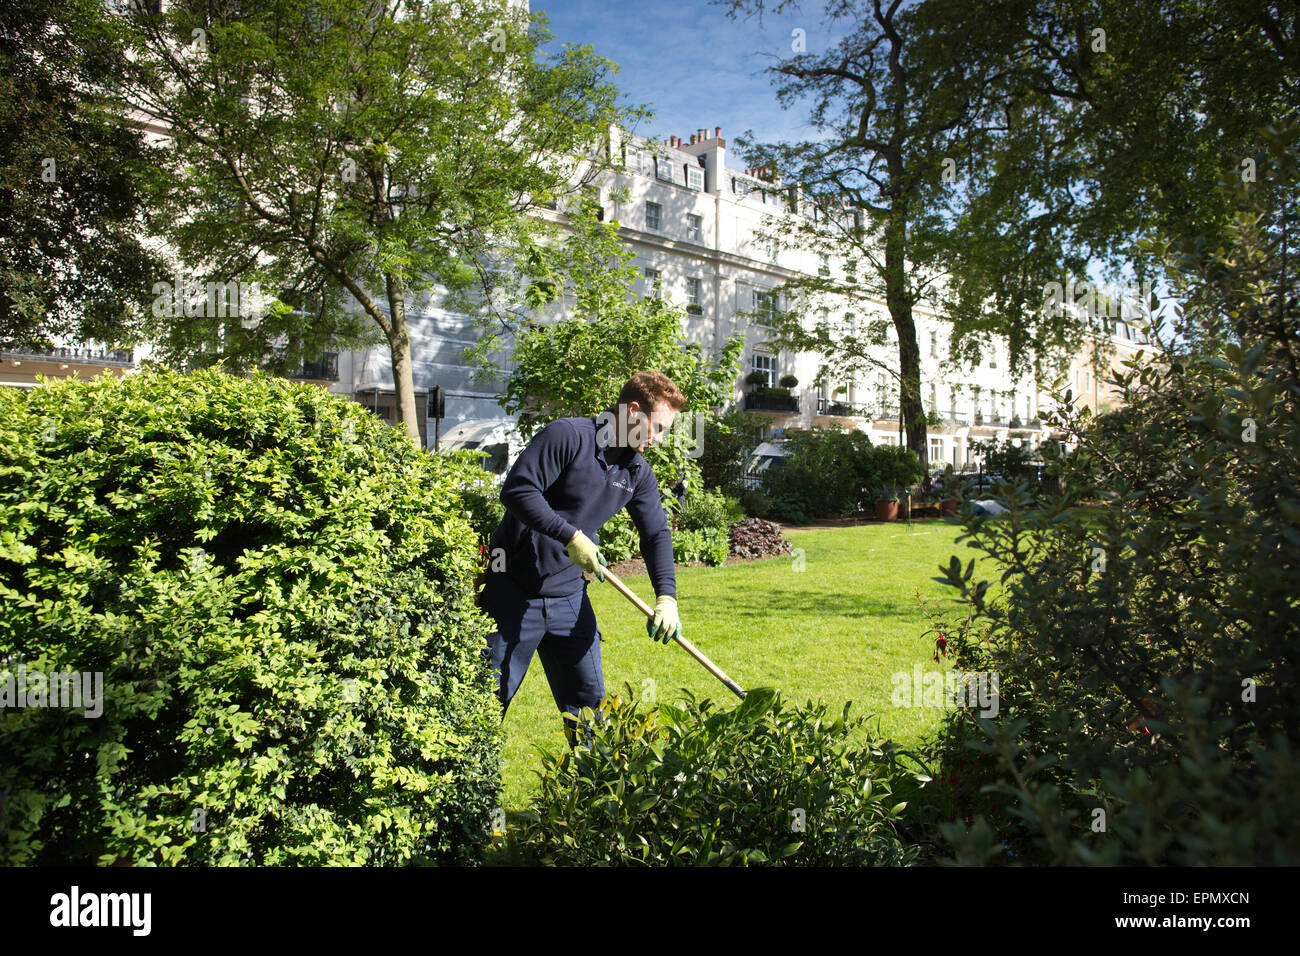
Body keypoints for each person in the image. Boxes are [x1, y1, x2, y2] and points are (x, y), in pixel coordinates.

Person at [480, 371, 688, 748]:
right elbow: (516, 490)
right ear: (633, 412)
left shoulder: (637, 473)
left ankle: (590, 802)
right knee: (485, 703)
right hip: (511, 593)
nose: (658, 440)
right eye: (657, 428)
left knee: (590, 710)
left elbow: (655, 534)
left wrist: (667, 598)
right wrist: (571, 535)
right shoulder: (569, 437)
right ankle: (464, 799)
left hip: (569, 599)